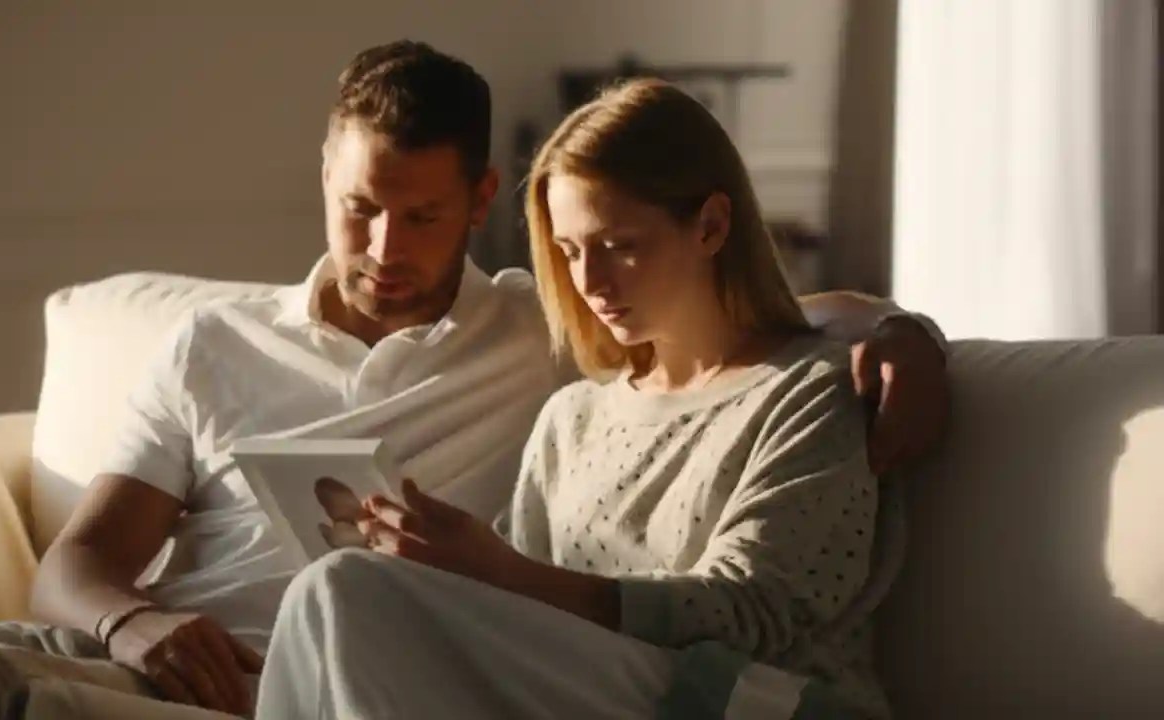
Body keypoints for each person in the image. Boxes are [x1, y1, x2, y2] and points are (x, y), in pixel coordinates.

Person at [0, 42, 945, 720]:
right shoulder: (213, 345)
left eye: (424, 216)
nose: (384, 246)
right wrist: (136, 625)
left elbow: (727, 326)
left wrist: (900, 328)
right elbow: (75, 565)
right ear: (323, 179)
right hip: (156, 652)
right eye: (359, 208)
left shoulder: (531, 330)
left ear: (480, 198)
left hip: (289, 685)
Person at [256, 77, 908, 719]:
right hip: (583, 698)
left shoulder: (807, 396)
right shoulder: (573, 419)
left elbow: (750, 613)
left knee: (343, 589)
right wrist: (463, 573)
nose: (590, 281)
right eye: (569, 252)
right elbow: (522, 627)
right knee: (333, 590)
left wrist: (504, 573)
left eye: (619, 248)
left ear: (710, 226)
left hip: (743, 700)